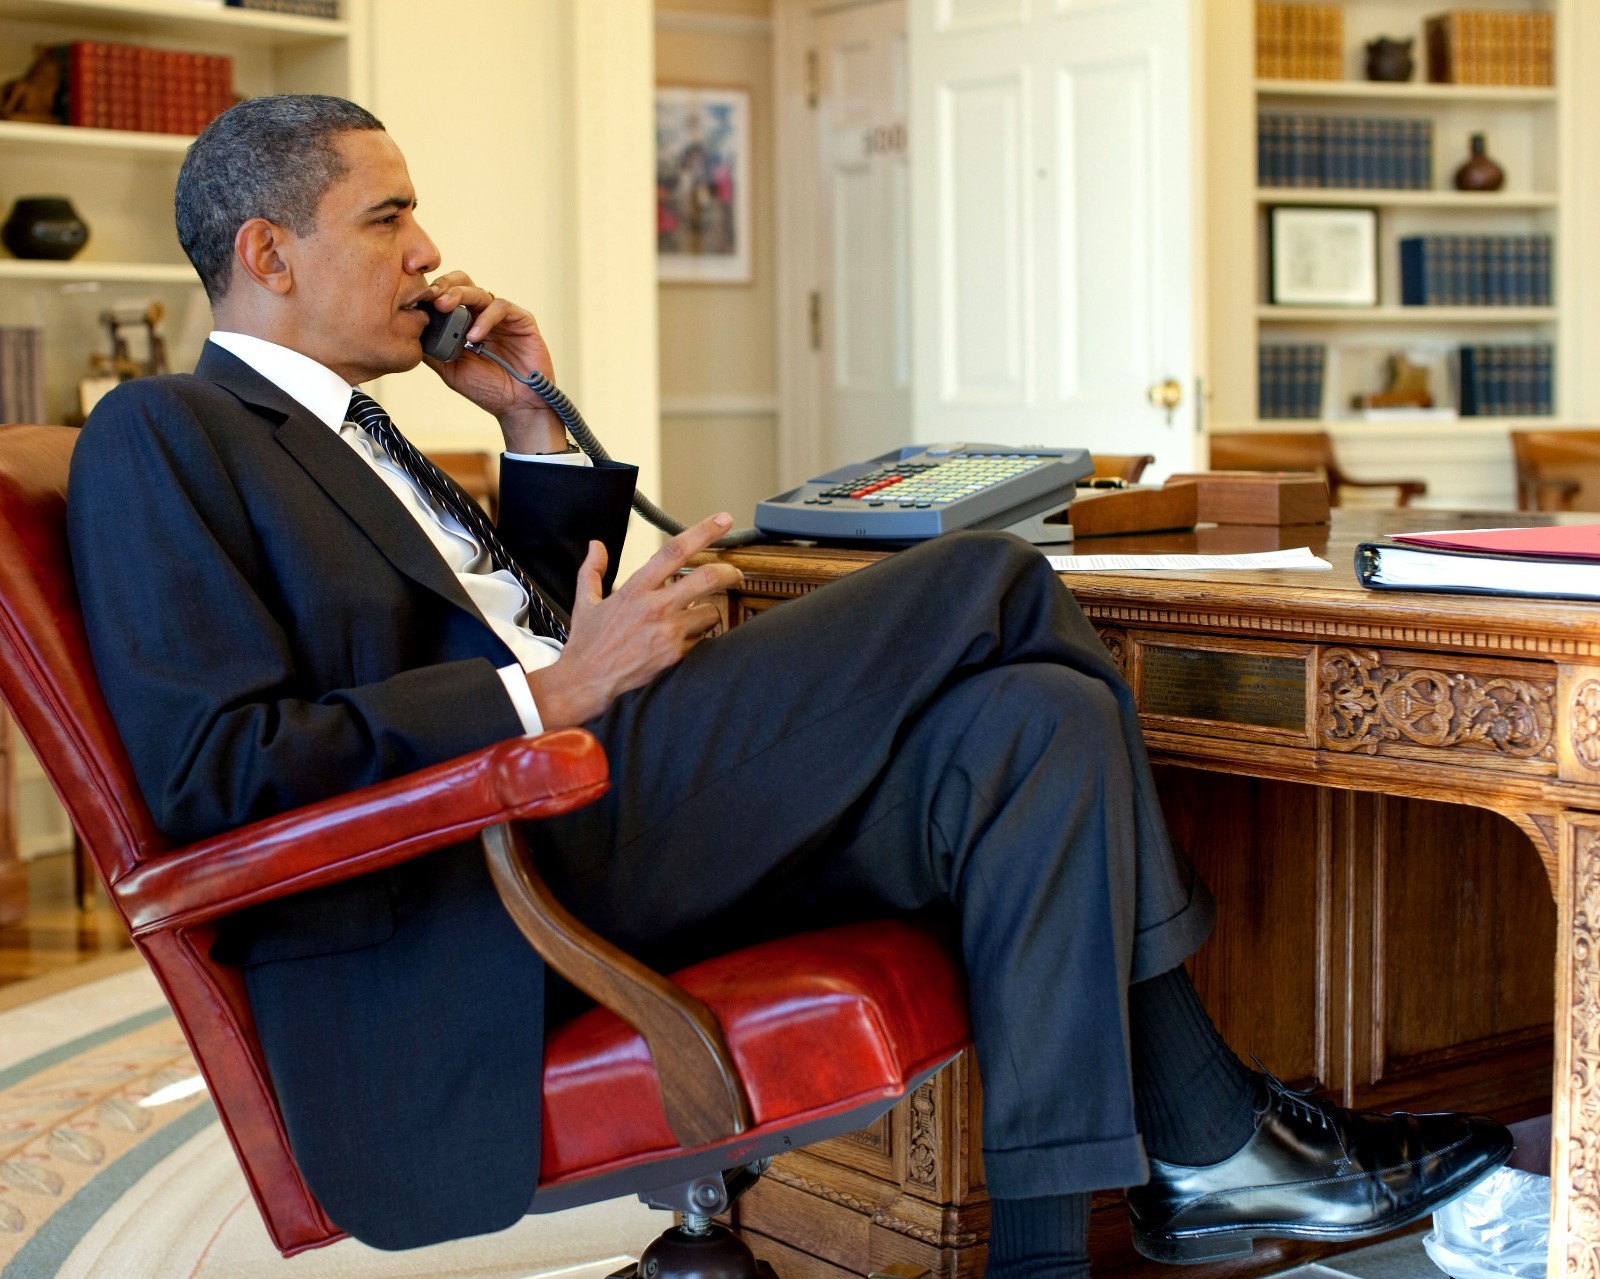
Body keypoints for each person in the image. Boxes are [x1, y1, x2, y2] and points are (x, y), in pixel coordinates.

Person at [67, 95, 1510, 1273]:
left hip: (590, 801)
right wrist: (553, 703)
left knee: (1036, 724)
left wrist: (534, 428)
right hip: (484, 876)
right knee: (989, 580)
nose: (430, 250)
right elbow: (217, 769)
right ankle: (1209, 1123)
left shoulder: (366, 432)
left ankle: (1053, 1252)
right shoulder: (167, 431)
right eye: (387, 217)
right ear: (267, 251)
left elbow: (501, 625)